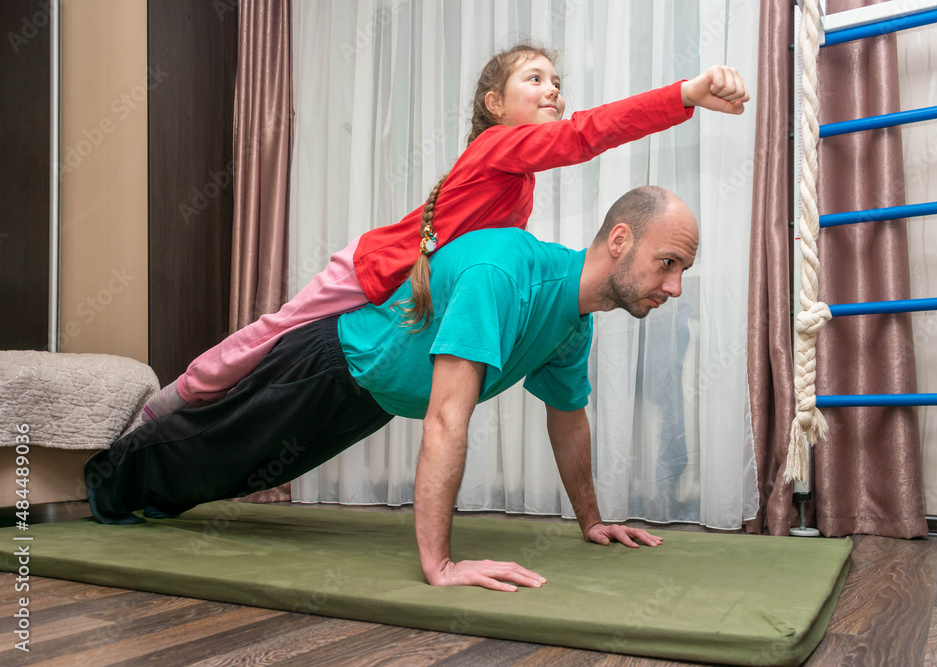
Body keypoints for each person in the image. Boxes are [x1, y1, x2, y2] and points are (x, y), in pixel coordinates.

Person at [87, 185, 699, 592]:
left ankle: (137, 499)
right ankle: (86, 488)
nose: (672, 288)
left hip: (368, 401)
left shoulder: (572, 323)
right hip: (328, 362)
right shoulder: (504, 271)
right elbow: (445, 420)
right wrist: (440, 565)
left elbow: (568, 419)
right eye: (667, 262)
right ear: (620, 240)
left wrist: (591, 521)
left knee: (231, 475)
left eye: (682, 272)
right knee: (204, 448)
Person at [140, 41, 748, 421]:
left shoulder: (517, 179)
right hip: (368, 269)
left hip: (398, 291)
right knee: (273, 335)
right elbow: (584, 135)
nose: (552, 89)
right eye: (533, 79)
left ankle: (201, 405)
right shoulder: (499, 148)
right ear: (493, 104)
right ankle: (178, 395)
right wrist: (684, 95)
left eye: (555, 82)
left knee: (285, 360)